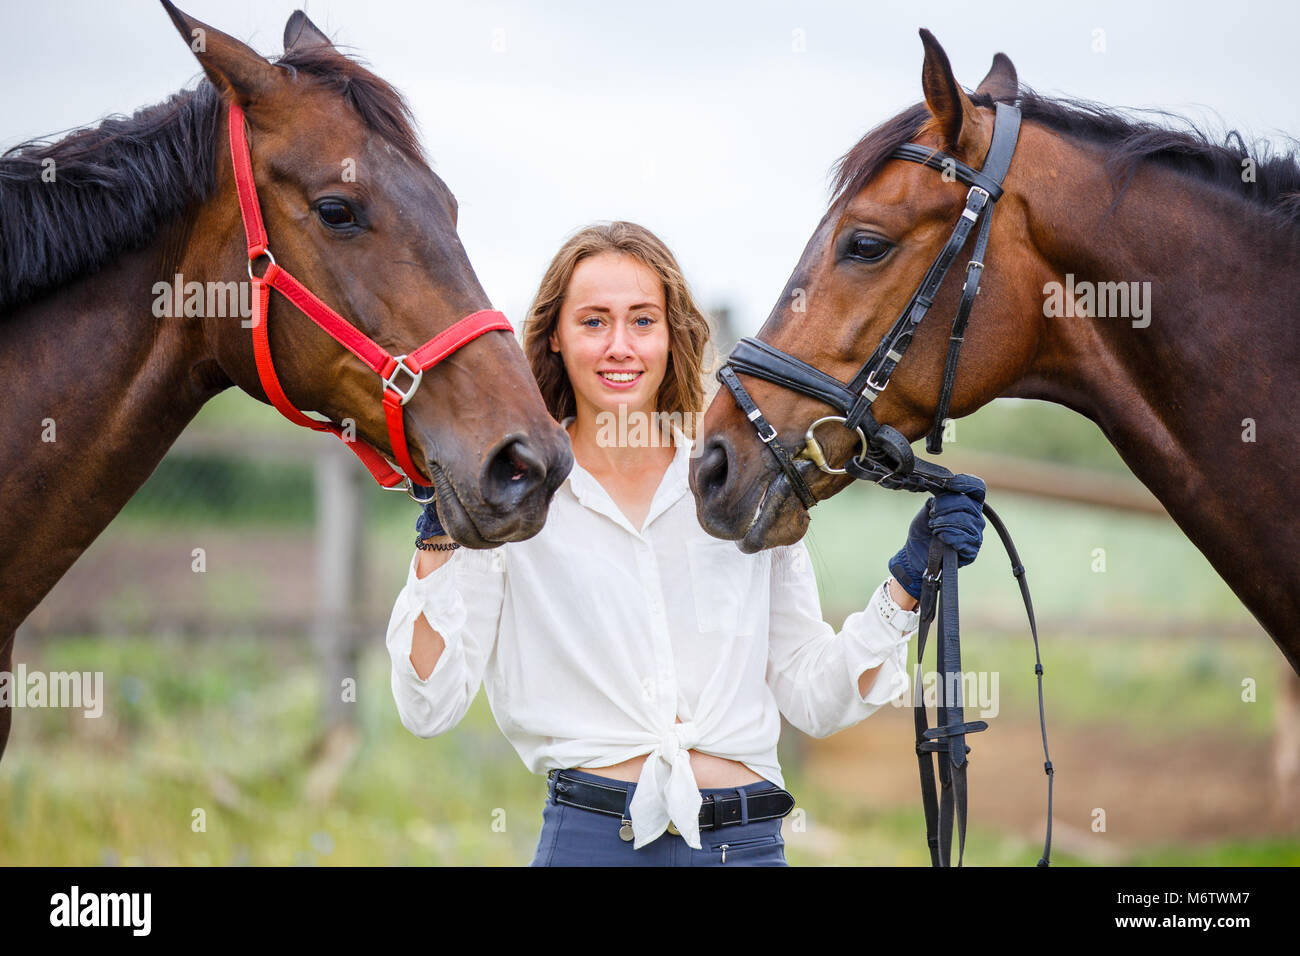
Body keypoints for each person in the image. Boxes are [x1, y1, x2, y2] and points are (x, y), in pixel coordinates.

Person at [384, 220, 986, 866]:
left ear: (673, 336)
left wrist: (906, 582)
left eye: (643, 321)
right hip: (593, 845)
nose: (620, 345)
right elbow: (430, 702)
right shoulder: (515, 492)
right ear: (555, 338)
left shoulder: (736, 485)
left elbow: (813, 696)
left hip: (747, 846)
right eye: (593, 322)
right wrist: (442, 525)